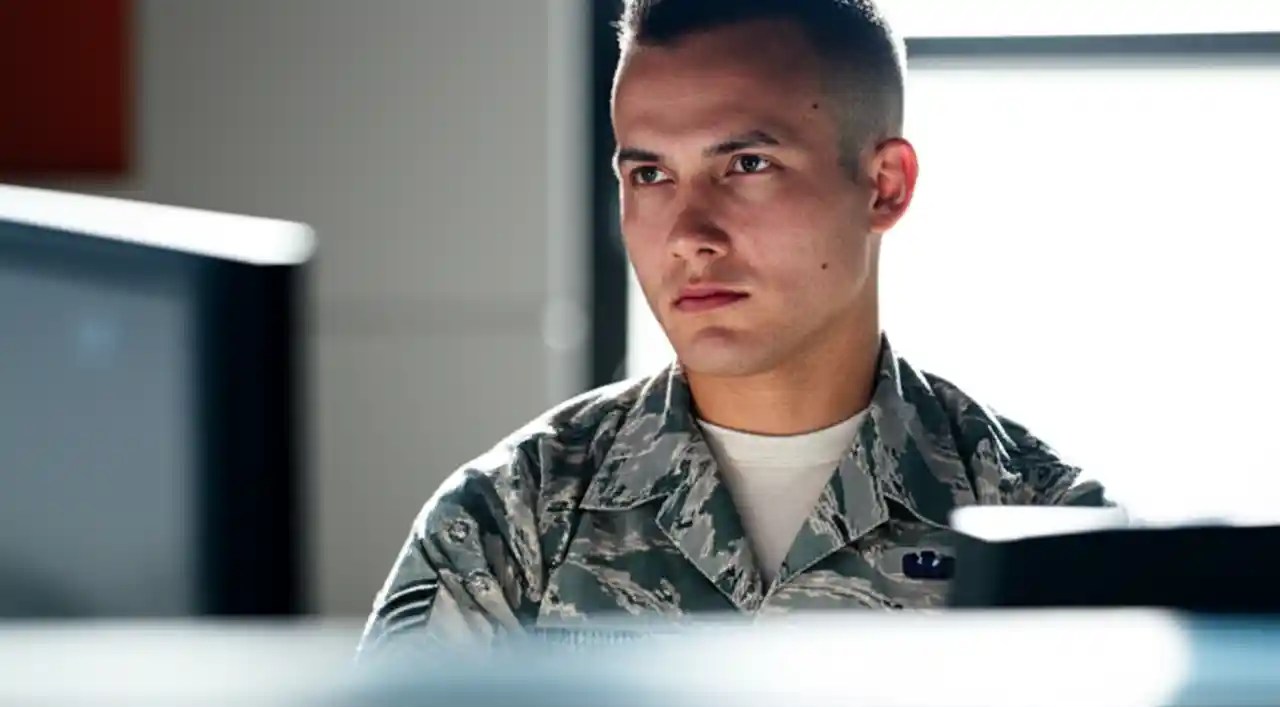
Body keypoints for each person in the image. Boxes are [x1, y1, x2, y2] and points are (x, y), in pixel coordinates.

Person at [358, 0, 1109, 653]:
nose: (688, 233)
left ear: (883, 186)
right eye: (649, 175)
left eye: (747, 164)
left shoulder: (1044, 527)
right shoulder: (512, 520)